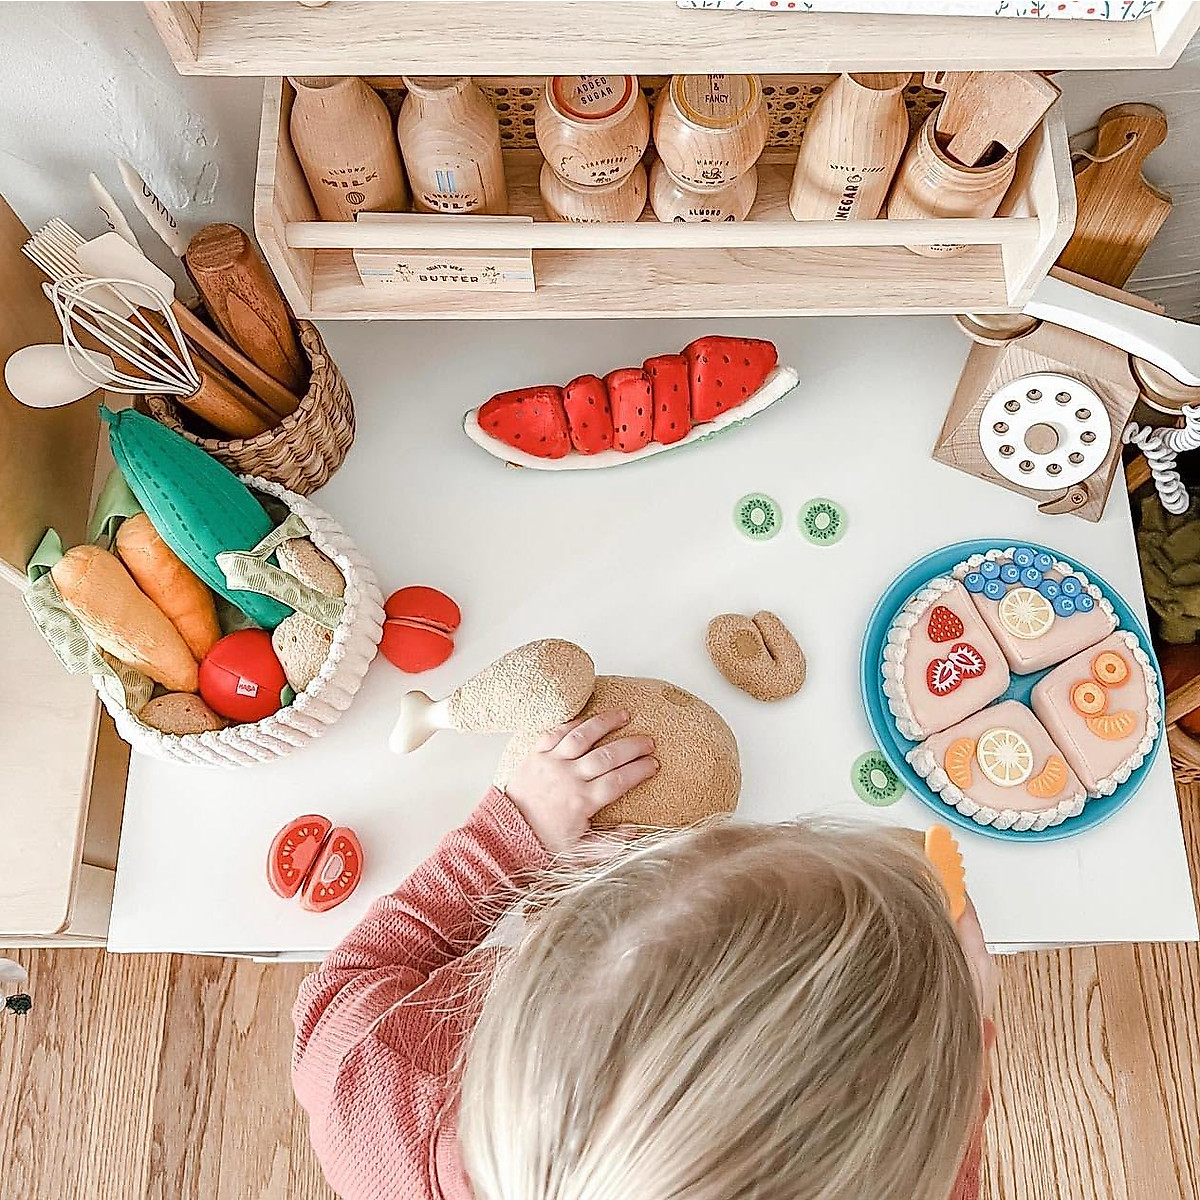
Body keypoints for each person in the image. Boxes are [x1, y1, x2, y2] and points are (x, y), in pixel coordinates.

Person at [293, 710, 997, 1200]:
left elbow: (347, 980)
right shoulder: (900, 1164)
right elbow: (931, 1142)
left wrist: (509, 840)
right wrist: (967, 1024)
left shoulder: (378, 1088)